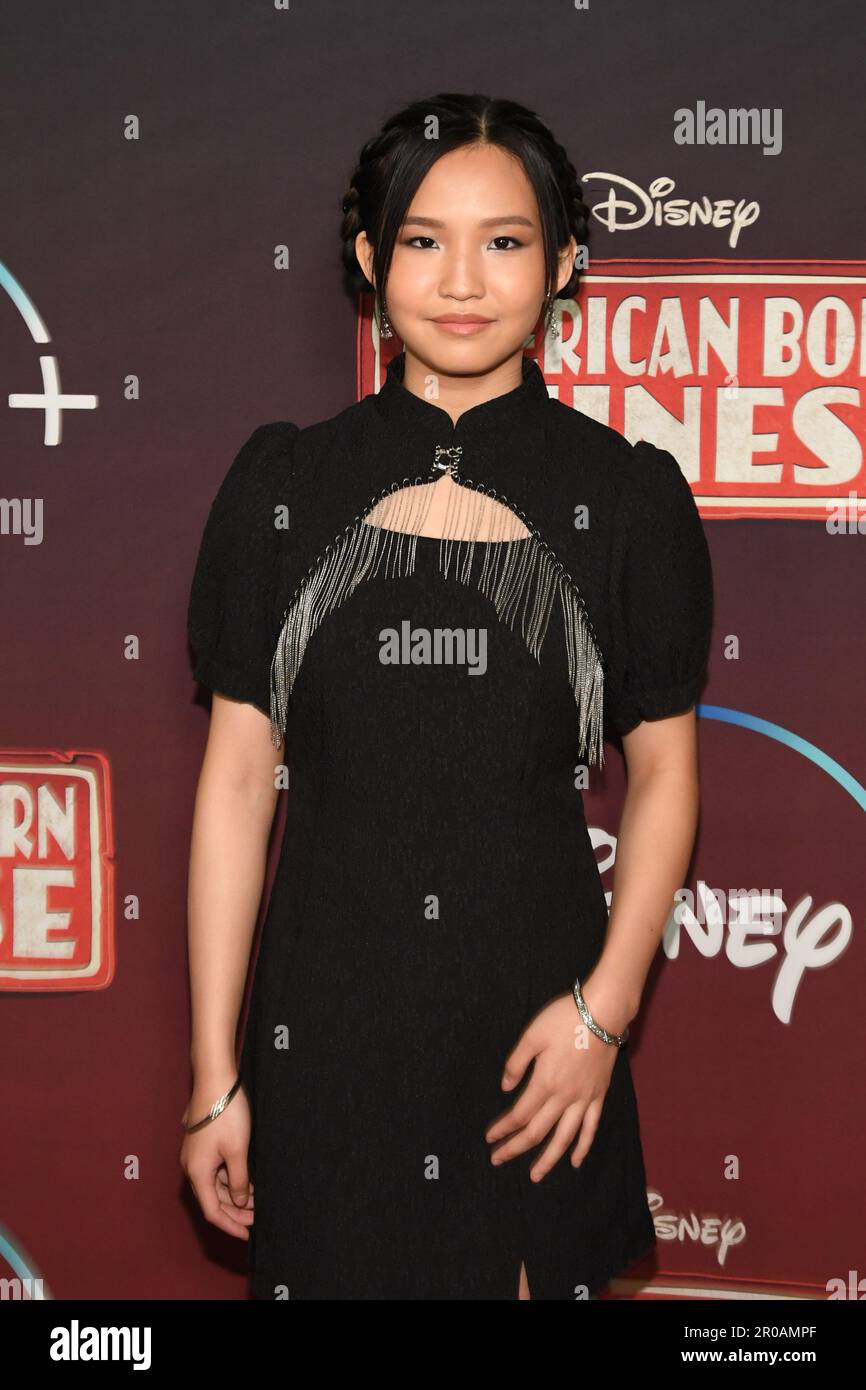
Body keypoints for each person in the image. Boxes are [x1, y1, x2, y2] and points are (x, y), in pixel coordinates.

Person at [180, 92, 713, 1301]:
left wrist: (602, 1014)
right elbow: (230, 788)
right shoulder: (285, 483)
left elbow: (667, 773)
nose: (462, 279)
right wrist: (216, 1071)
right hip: (323, 1028)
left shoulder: (623, 495)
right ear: (368, 262)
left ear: (564, 260)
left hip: (537, 1028)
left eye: (505, 241)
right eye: (422, 239)